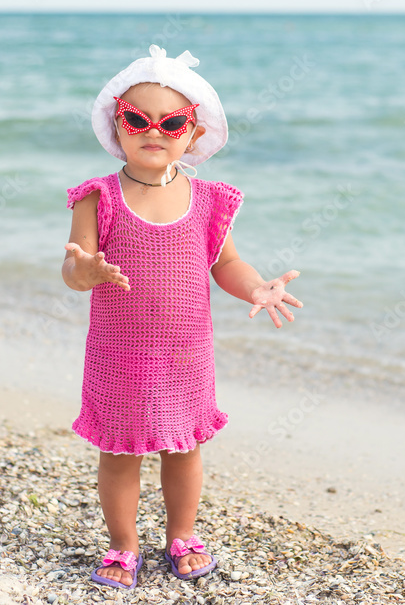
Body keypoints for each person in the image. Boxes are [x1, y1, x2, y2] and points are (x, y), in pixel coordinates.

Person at [62, 45, 302, 590]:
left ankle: (181, 535)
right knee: (120, 451)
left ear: (193, 135)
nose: (155, 131)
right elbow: (73, 270)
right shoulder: (96, 199)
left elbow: (227, 262)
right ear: (115, 125)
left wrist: (257, 288)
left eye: (172, 122)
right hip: (118, 352)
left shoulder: (207, 198)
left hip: (185, 352)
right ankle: (123, 544)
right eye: (137, 119)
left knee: (183, 447)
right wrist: (86, 272)